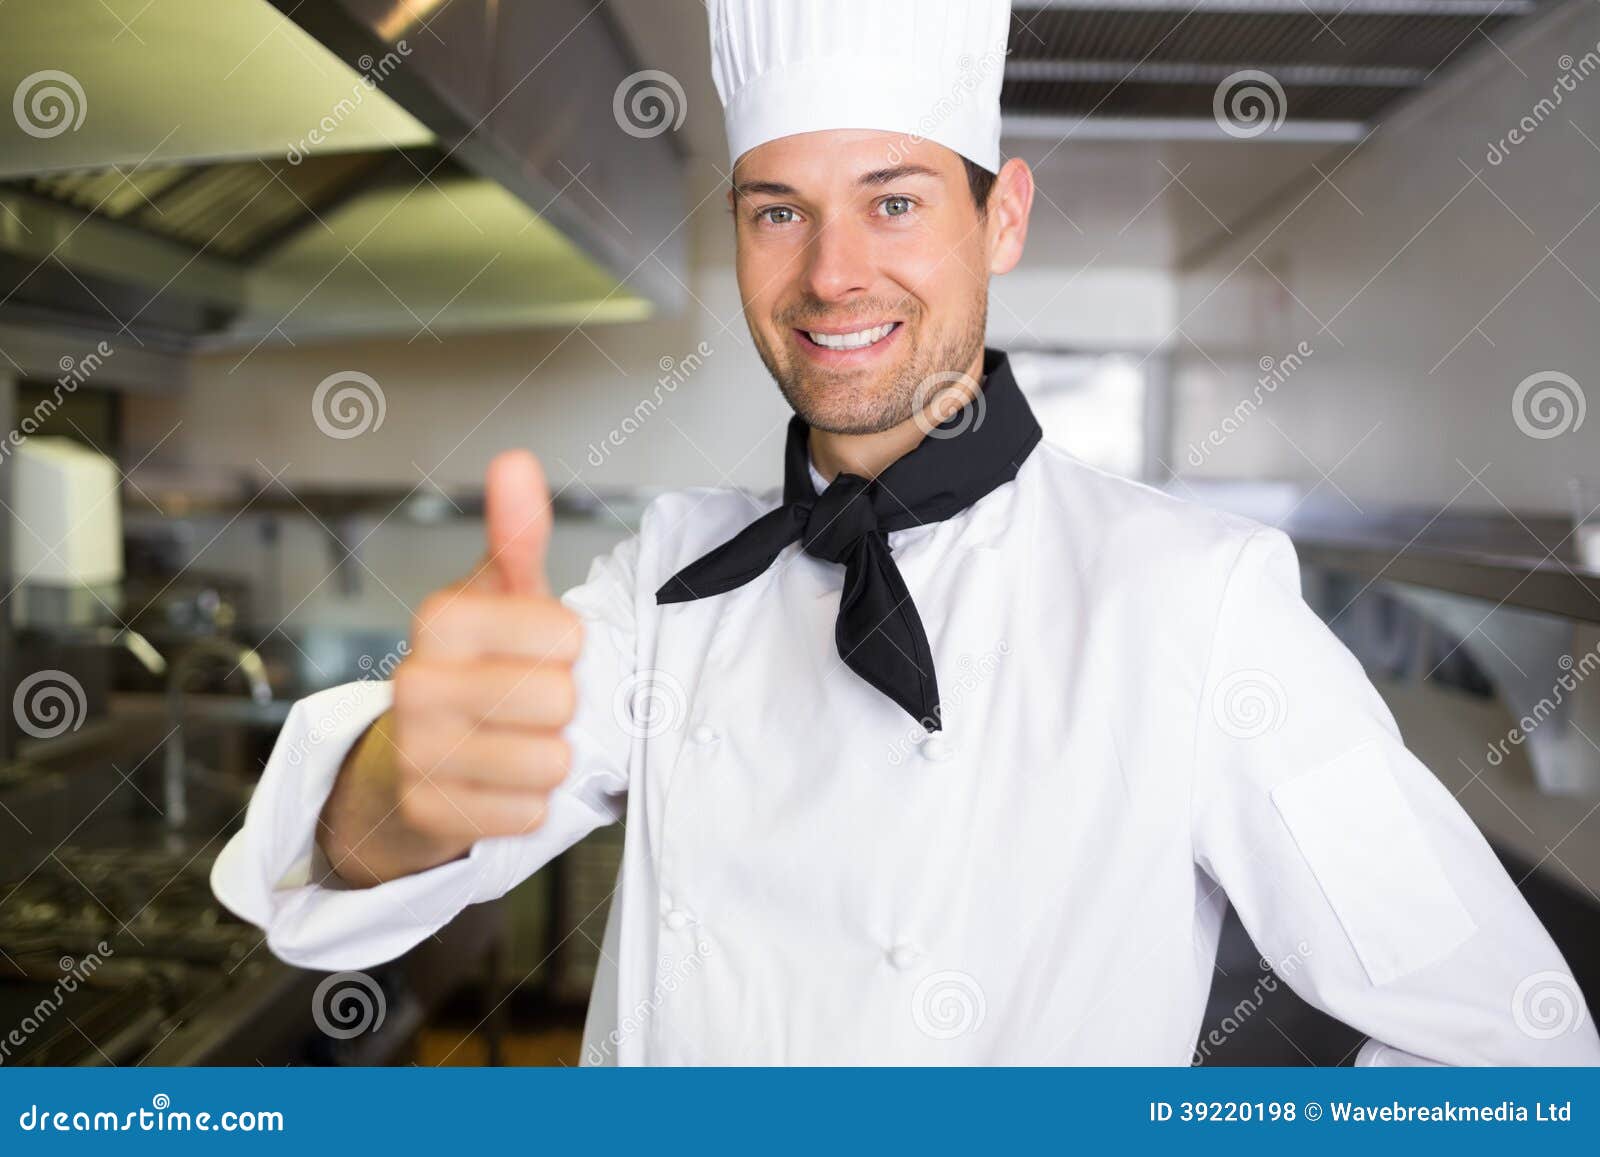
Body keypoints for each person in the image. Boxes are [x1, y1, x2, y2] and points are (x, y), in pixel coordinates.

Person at [212, 0, 1600, 1065]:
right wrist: (401, 779)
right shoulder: (665, 579)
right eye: (779, 211)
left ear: (1002, 220)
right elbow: (357, 855)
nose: (831, 273)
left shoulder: (1194, 600)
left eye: (893, 200)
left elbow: (1516, 1044)